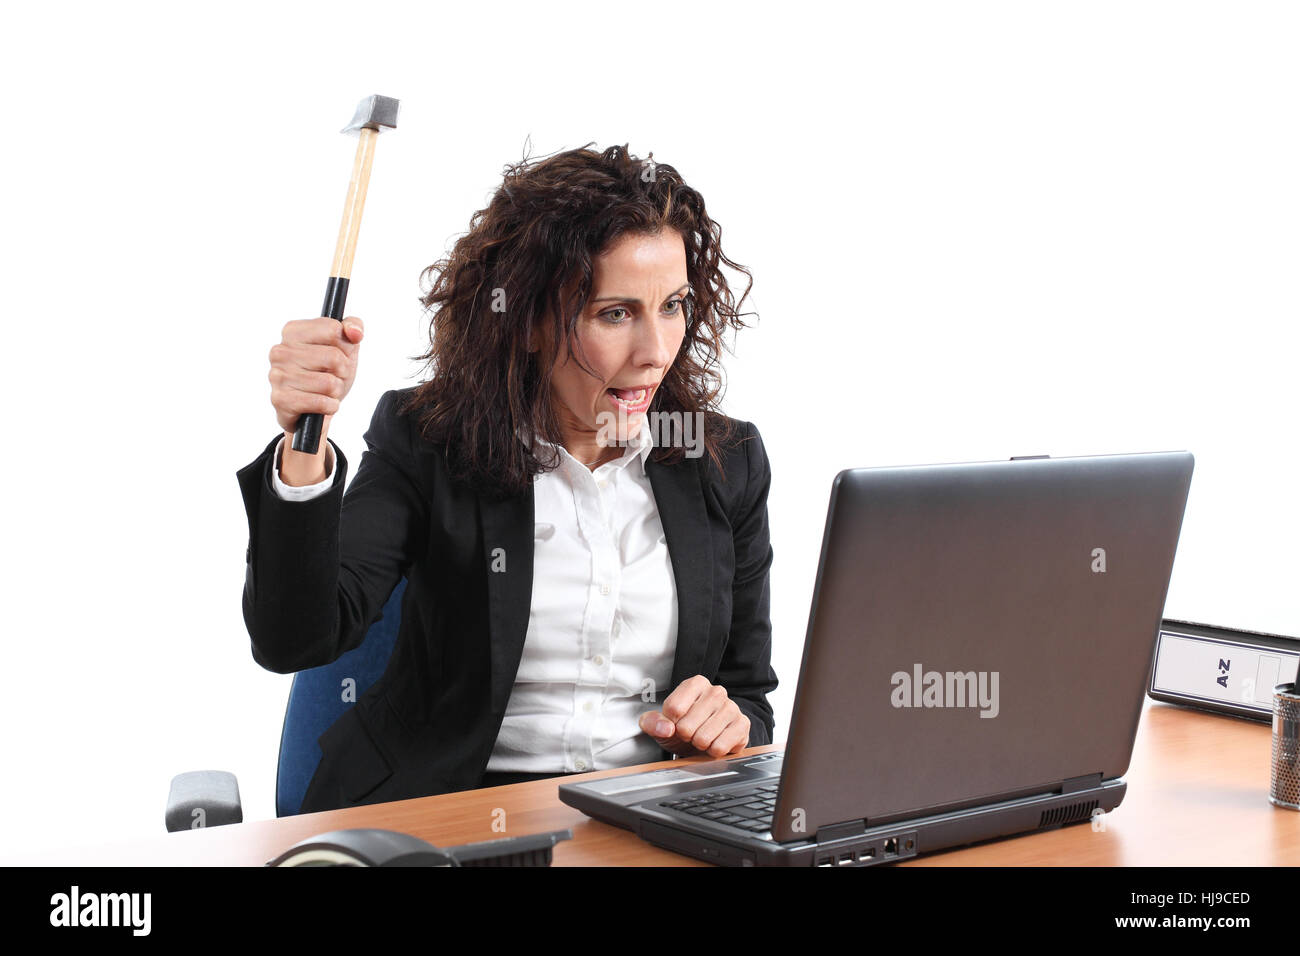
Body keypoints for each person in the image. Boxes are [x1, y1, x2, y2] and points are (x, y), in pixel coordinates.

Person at [236, 143, 777, 814]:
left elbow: (748, 695)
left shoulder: (724, 462)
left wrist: (732, 724)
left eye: (672, 305)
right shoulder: (427, 440)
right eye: (614, 314)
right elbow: (295, 637)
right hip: (448, 815)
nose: (657, 352)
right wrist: (304, 442)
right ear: (528, 323)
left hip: (645, 819)